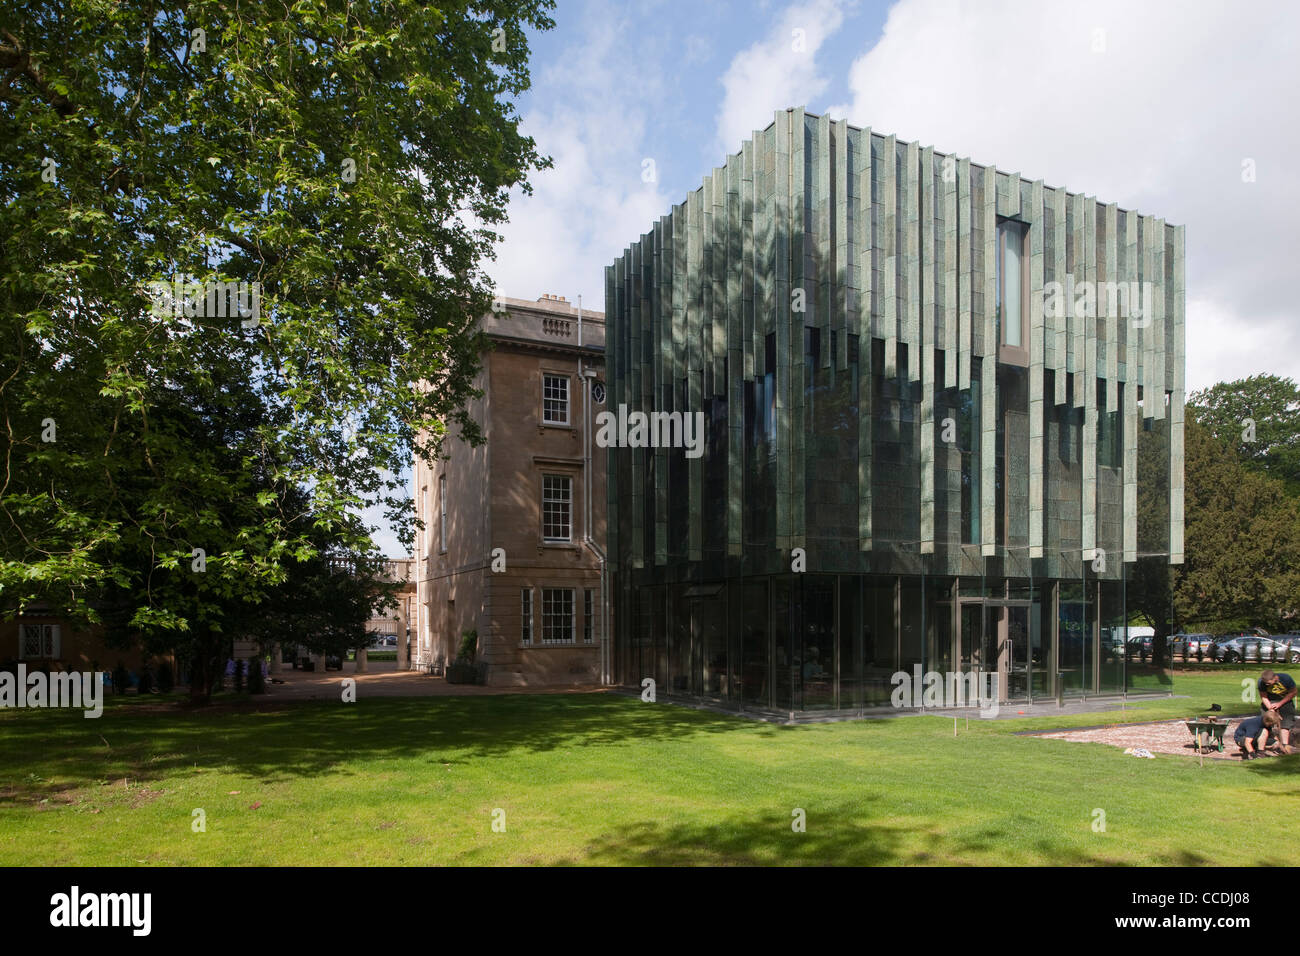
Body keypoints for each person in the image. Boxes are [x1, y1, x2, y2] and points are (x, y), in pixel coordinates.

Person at [1258, 669, 1297, 754]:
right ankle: (1275, 744)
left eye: (1268, 683)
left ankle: (1285, 745)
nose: (1266, 684)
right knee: (1267, 722)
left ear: (1275, 678)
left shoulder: (1286, 679)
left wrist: (1280, 703)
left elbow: (1293, 692)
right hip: (1269, 701)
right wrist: (1270, 708)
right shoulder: (1261, 682)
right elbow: (1264, 696)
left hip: (1285, 700)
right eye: (1265, 683)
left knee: (1285, 723)